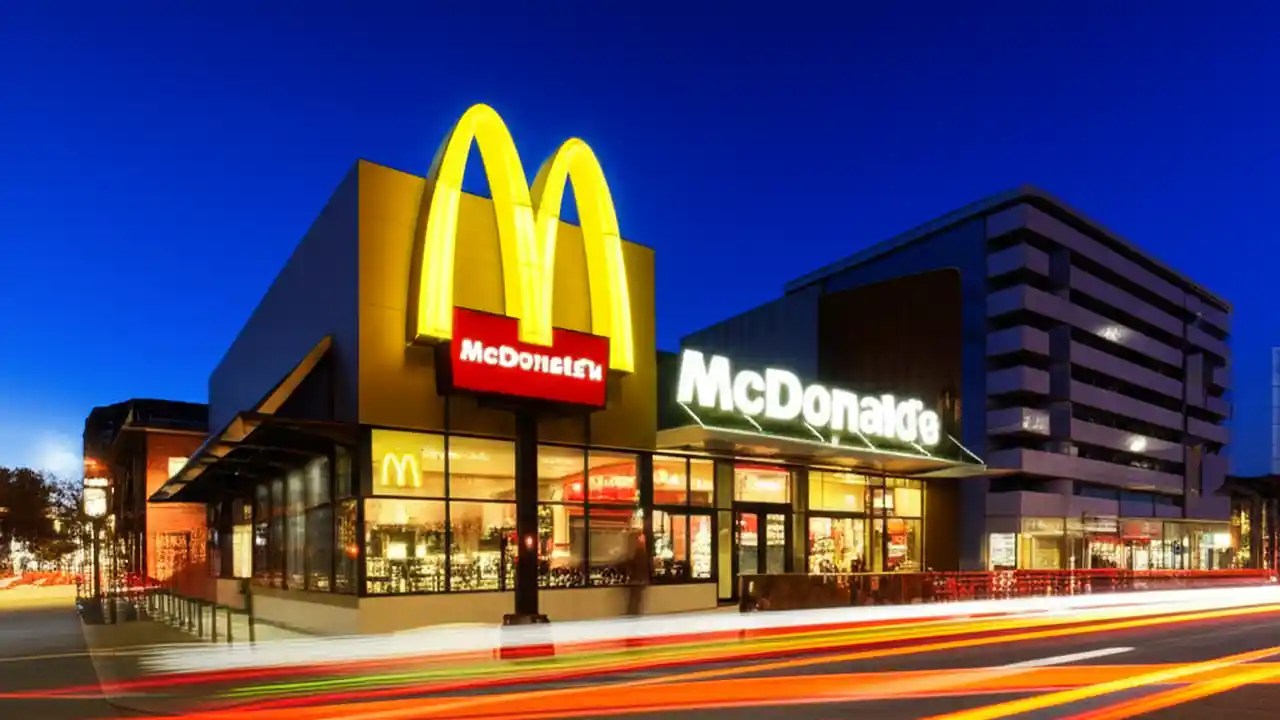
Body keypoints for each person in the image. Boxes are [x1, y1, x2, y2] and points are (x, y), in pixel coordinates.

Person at [626, 529, 649, 616]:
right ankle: (634, 613)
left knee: (634, 598)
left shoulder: (637, 553)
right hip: (638, 580)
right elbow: (642, 567)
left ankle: (633, 613)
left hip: (636, 580)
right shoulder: (641, 553)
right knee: (636, 598)